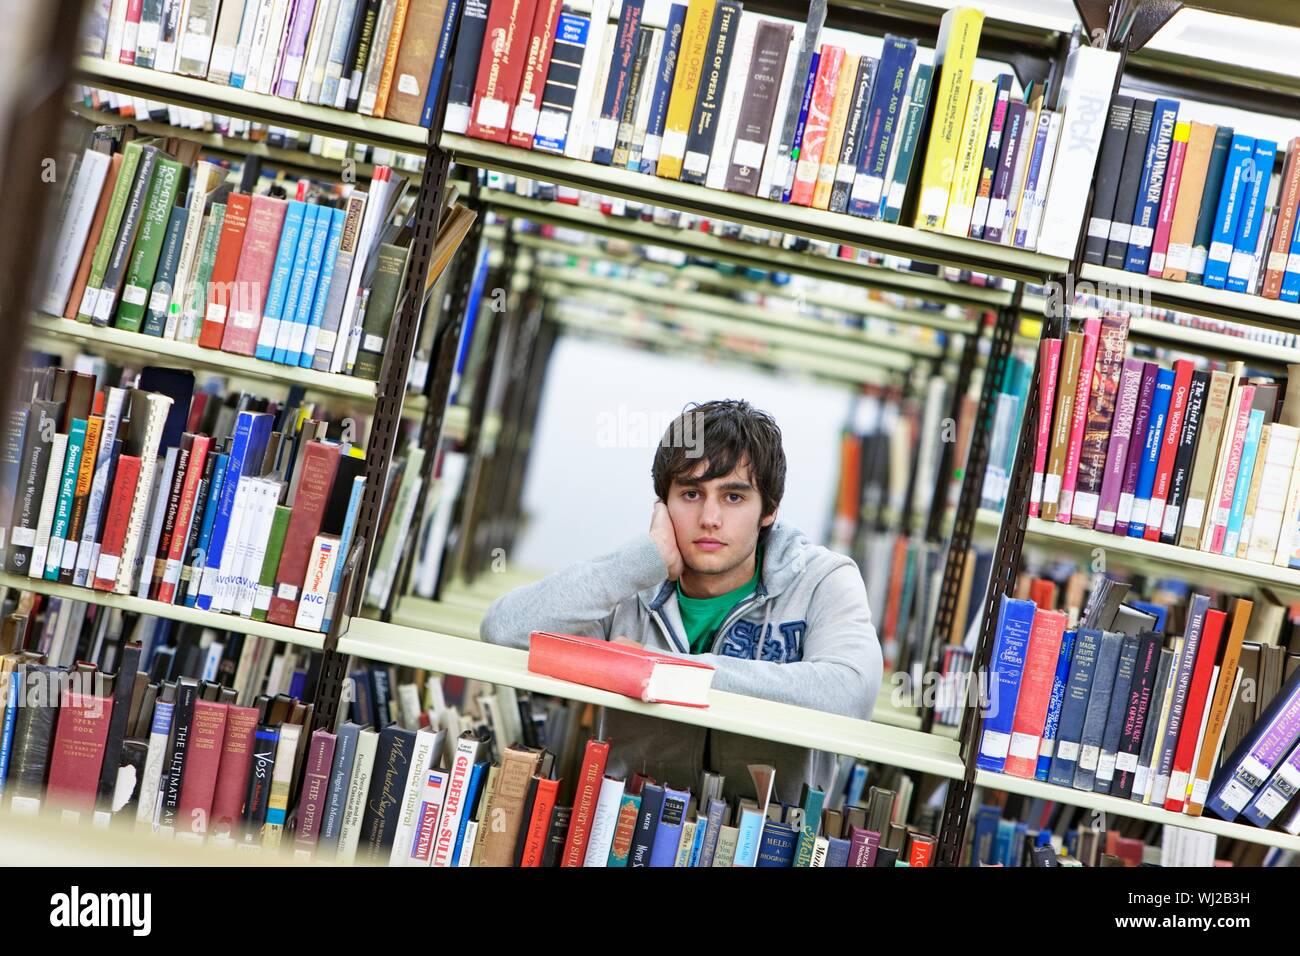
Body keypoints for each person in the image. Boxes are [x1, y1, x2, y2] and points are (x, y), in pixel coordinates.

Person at [480, 399, 882, 804]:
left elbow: (851, 693)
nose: (709, 517)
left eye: (733, 497)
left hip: (768, 842)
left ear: (769, 511)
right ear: (663, 505)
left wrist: (661, 672)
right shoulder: (629, 586)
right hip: (629, 832)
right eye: (691, 494)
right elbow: (503, 630)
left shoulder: (821, 581)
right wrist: (634, 565)